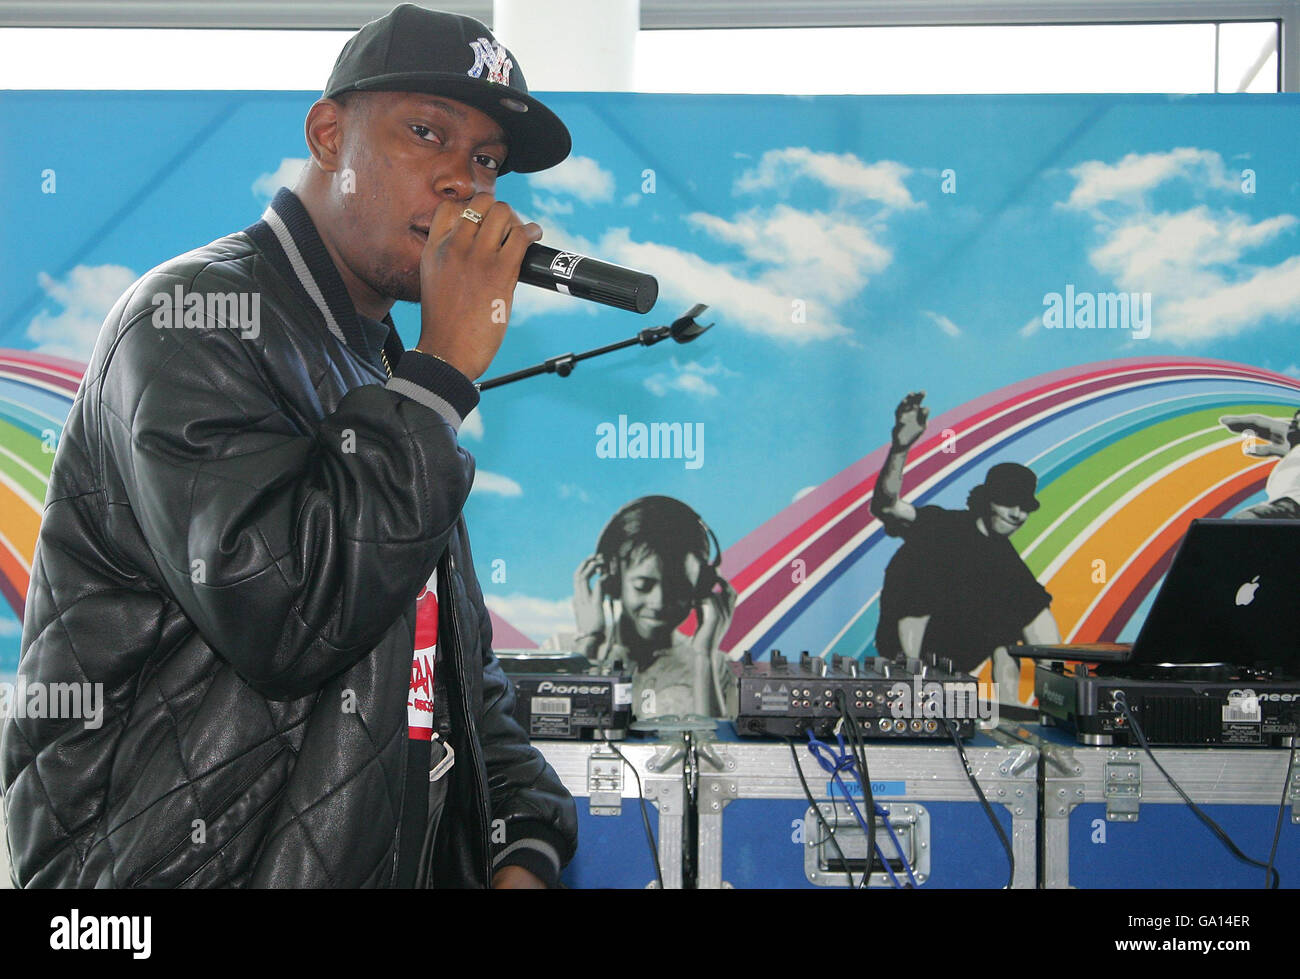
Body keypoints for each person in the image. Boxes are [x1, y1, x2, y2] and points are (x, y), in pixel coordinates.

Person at [1, 5, 577, 888]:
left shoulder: (387, 375)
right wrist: (443, 371)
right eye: (427, 133)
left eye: (487, 160)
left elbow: (448, 660)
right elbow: (289, 618)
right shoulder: (192, 320)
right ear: (327, 133)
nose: (464, 181)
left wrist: (521, 837)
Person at [870, 392, 1060, 700]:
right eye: (1008, 503)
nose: (1017, 515)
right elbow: (887, 506)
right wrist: (901, 447)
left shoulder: (1008, 565)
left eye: (1024, 507)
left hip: (957, 658)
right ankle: (913, 683)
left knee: (1026, 601)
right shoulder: (944, 525)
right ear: (987, 501)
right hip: (910, 649)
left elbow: (1030, 635)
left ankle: (1017, 714)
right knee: (925, 558)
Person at [560, 497, 737, 720]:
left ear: (700, 588)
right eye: (643, 585)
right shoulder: (560, 652)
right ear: (612, 579)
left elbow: (716, 752)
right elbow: (553, 735)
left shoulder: (717, 667)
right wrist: (588, 641)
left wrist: (704, 657)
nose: (660, 602)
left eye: (679, 587)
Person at [1219, 409, 1300, 518]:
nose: (1294, 427)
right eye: (1294, 422)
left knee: (1245, 520)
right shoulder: (1293, 452)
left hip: (1291, 506)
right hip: (1282, 503)